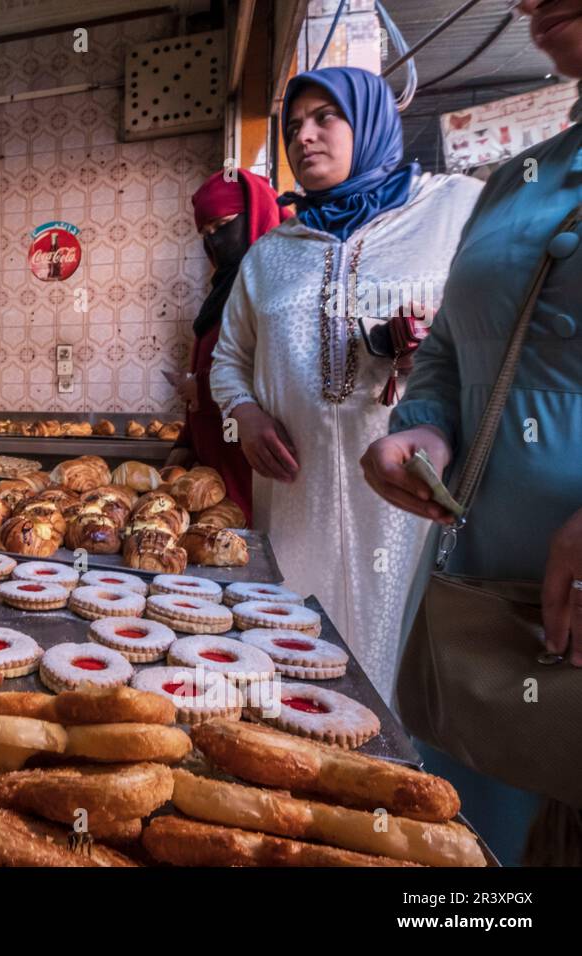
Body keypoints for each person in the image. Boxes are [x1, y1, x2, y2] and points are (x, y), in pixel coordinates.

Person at [360, 0, 582, 865]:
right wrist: (422, 428)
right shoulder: (521, 178)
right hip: (483, 584)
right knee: (463, 840)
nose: (525, 1)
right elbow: (450, 346)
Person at [208, 67, 482, 693]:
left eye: (325, 117)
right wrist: (245, 415)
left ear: (372, 122)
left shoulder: (451, 213)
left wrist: (435, 343)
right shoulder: (270, 254)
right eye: (294, 125)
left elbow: (505, 332)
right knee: (297, 666)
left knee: (411, 668)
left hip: (409, 497)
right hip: (295, 494)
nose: (305, 136)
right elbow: (228, 360)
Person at [165, 169, 290, 522]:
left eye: (222, 226)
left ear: (254, 216)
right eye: (205, 234)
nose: (215, 241)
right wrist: (186, 442)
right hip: (213, 462)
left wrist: (200, 388)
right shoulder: (225, 288)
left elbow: (277, 373)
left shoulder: (276, 286)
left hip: (248, 464)